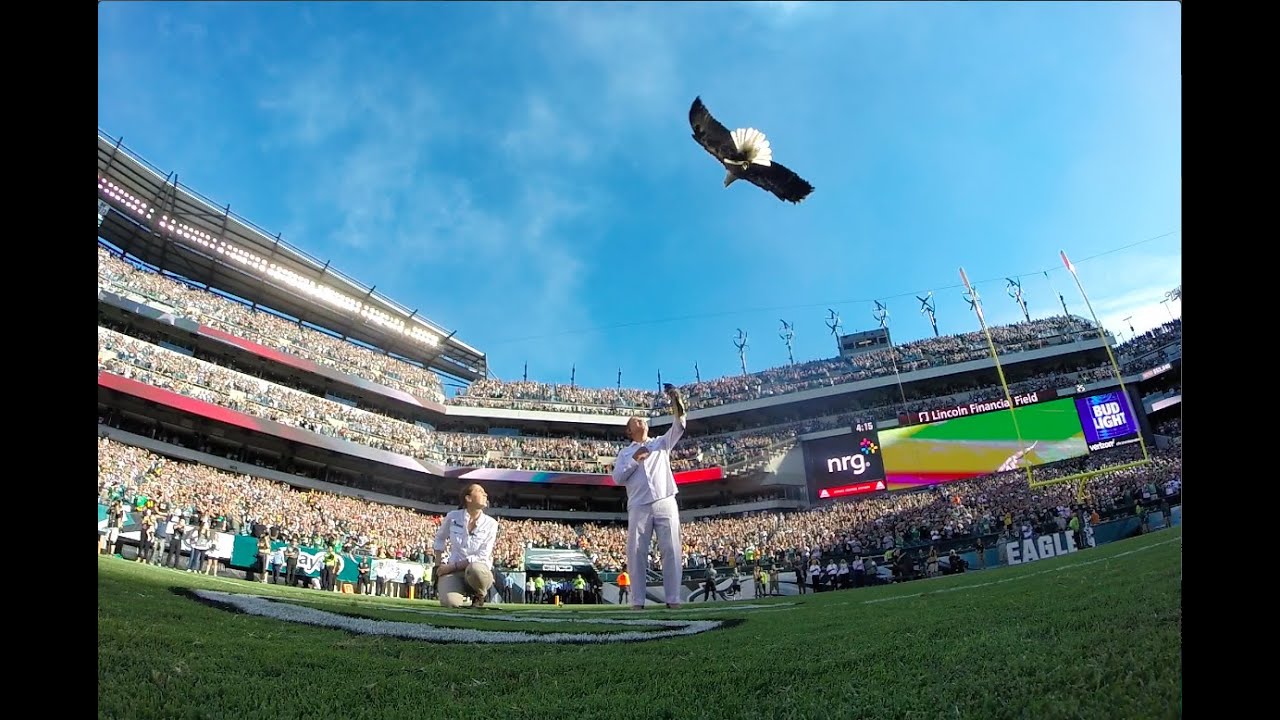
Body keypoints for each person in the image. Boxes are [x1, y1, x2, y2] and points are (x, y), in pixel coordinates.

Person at [611, 384, 687, 609]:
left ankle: (673, 599)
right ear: (629, 431)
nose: (641, 421)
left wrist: (677, 404)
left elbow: (679, 425)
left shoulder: (660, 443)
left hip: (665, 499)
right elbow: (617, 478)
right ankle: (637, 601)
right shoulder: (625, 453)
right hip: (639, 505)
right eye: (636, 421)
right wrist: (635, 458)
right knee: (636, 553)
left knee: (671, 549)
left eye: (643, 419)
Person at [432, 483, 499, 608]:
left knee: (475, 569)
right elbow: (440, 538)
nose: (485, 494)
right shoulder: (453, 517)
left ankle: (480, 594)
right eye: (480, 491)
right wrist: (438, 565)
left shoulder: (492, 524)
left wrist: (451, 567)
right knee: (450, 603)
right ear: (468, 498)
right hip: (454, 572)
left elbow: (482, 556)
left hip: (477, 571)